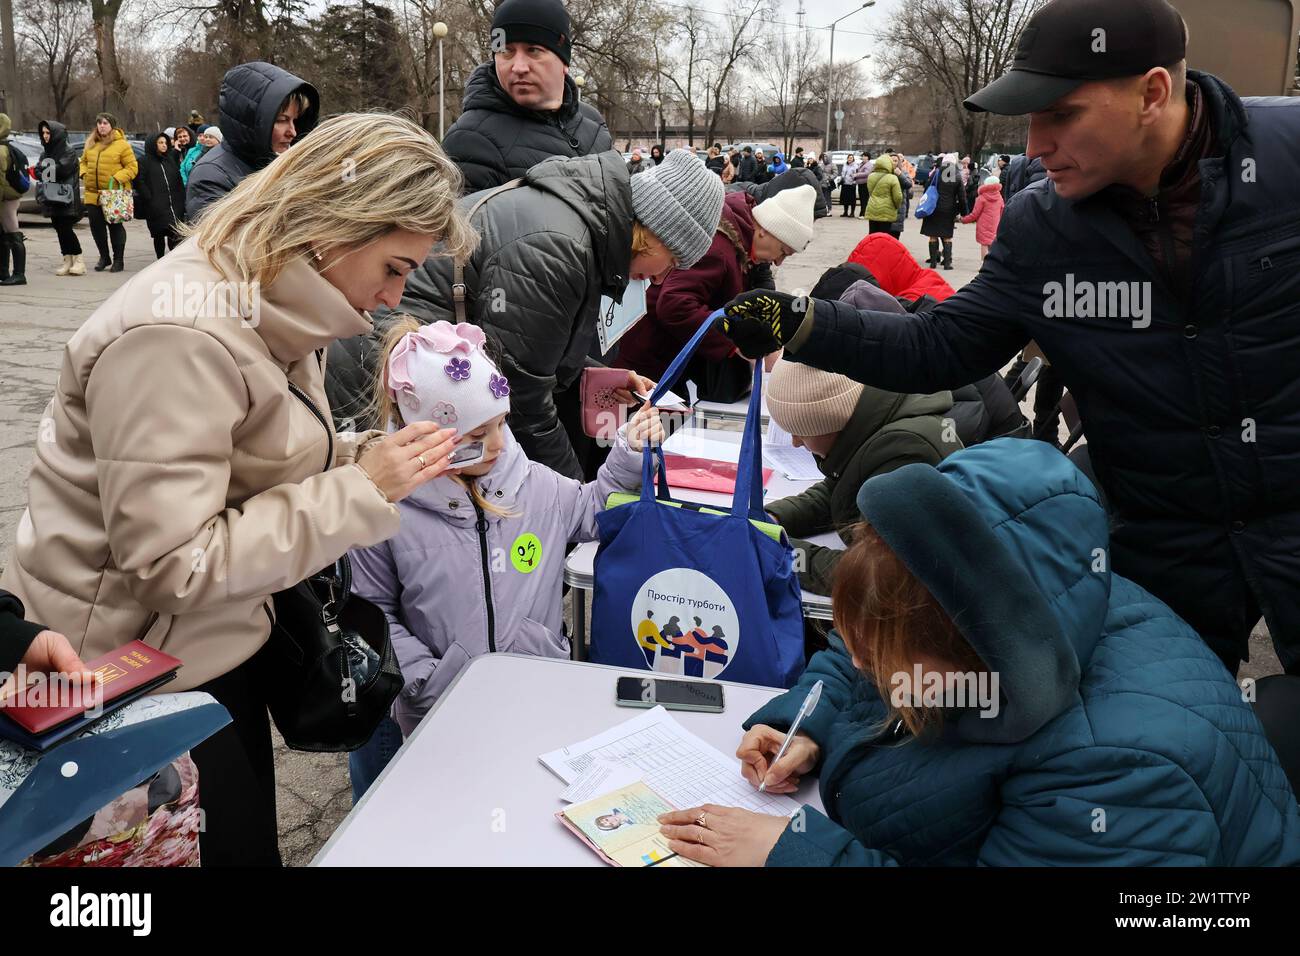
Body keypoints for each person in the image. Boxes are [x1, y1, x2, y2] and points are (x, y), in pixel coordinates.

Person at [715, 0, 1300, 676]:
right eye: (1029, 119)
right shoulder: (1041, 228)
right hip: (1166, 543)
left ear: (1152, 93)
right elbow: (943, 345)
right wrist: (806, 323)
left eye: (1060, 114)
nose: (1033, 146)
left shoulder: (1285, 164)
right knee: (1187, 731)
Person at [0, 112, 476, 866]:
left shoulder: (269, 300)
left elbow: (255, 460)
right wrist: (360, 488)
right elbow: (171, 563)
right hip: (123, 685)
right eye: (393, 266)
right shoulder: (179, 333)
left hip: (203, 658)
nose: (395, 297)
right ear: (332, 226)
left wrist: (367, 456)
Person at [657, 440, 1300, 866]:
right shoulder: (1038, 604)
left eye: (880, 660)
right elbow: (866, 654)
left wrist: (795, 852)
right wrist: (805, 721)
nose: (861, 669)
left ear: (974, 646)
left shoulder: (1118, 772)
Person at [345, 319, 664, 794]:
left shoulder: (532, 484)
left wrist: (630, 454)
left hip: (534, 695)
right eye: (476, 433)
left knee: (518, 795)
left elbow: (594, 510)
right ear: (429, 435)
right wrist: (425, 679)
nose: (497, 444)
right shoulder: (387, 510)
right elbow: (370, 611)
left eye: (501, 422)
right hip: (439, 711)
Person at [327, 148, 725, 482]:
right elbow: (520, 396)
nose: (660, 280)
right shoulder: (560, 247)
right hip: (380, 376)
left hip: (400, 365)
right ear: (652, 231)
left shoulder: (574, 224)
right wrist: (573, 500)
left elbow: (526, 351)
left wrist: (594, 376)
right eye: (671, 262)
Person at [763, 357, 961, 596]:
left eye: (800, 431)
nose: (794, 443)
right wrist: (772, 518)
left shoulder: (905, 455)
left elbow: (875, 576)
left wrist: (775, 551)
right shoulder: (870, 423)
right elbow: (840, 489)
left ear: (827, 420)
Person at [615, 184, 817, 401]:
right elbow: (674, 304)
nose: (779, 261)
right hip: (647, 360)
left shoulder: (741, 243)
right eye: (783, 251)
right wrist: (736, 340)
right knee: (632, 430)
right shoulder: (720, 248)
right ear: (765, 230)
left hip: (664, 358)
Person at [442, 0, 611, 193]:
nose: (519, 67)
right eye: (506, 51)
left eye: (533, 50)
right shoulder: (469, 140)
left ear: (564, 60)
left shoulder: (594, 124)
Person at [186, 61, 319, 220]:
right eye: (282, 120)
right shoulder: (210, 177)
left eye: (294, 120)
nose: (293, 132)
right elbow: (227, 242)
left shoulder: (279, 163)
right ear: (250, 121)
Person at [79, 112, 137, 273]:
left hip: (113, 194)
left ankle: (119, 260)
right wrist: (84, 173)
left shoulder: (122, 145)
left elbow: (132, 167)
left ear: (112, 125)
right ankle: (104, 257)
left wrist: (117, 178)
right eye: (99, 123)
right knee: (96, 227)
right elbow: (82, 162)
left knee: (115, 227)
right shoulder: (91, 143)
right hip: (92, 194)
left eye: (105, 123)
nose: (101, 126)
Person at [34, 120, 85, 277]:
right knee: (59, 228)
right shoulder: (45, 153)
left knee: (66, 228)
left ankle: (79, 260)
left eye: (48, 133)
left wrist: (44, 169)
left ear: (56, 134)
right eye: (43, 133)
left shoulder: (68, 151)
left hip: (65, 197)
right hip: (51, 197)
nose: (45, 136)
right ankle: (67, 259)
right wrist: (43, 169)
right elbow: (37, 171)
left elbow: (61, 170)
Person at [136, 132, 187, 259]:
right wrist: (148, 198)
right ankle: (160, 258)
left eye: (165, 143)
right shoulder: (144, 161)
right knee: (159, 234)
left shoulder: (169, 160)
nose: (164, 145)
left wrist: (181, 197)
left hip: (174, 204)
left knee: (174, 233)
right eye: (160, 143)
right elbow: (139, 181)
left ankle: (172, 259)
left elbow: (178, 178)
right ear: (153, 144)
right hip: (155, 205)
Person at [917, 152, 965, 269]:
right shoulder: (957, 176)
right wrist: (963, 212)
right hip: (949, 209)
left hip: (933, 208)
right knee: (947, 236)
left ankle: (933, 262)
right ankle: (947, 264)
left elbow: (927, 189)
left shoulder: (936, 173)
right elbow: (962, 197)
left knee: (933, 235)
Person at [0, 113, 29, 285]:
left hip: (6, 198)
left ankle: (19, 274)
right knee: (4, 234)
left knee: (12, 232)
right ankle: (3, 271)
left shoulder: (2, 150)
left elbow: (0, 181)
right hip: (9, 197)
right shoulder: (5, 147)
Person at [960, 174, 1006, 258]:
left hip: (983, 225)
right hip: (995, 224)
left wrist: (963, 220)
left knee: (984, 244)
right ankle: (991, 264)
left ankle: (984, 263)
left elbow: (975, 214)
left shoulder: (981, 198)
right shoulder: (1000, 198)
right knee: (992, 244)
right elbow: (1002, 212)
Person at [863, 153, 904, 234]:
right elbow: (898, 197)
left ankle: (873, 247)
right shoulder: (893, 178)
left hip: (872, 208)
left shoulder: (870, 176)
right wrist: (896, 206)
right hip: (887, 210)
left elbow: (870, 192)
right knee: (884, 235)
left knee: (872, 234)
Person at [889, 153, 912, 238]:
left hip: (899, 207)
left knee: (895, 236)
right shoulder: (885, 172)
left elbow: (909, 184)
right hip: (886, 206)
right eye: (892, 161)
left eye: (895, 161)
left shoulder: (903, 172)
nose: (894, 162)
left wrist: (900, 175)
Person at [838, 152, 858, 217]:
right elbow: (842, 173)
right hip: (845, 184)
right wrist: (841, 180)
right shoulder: (845, 165)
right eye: (849, 158)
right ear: (847, 158)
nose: (850, 159)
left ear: (853, 159)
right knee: (845, 199)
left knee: (852, 200)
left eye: (851, 158)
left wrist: (854, 183)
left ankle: (852, 213)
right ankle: (845, 212)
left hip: (851, 184)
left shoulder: (855, 166)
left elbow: (857, 175)